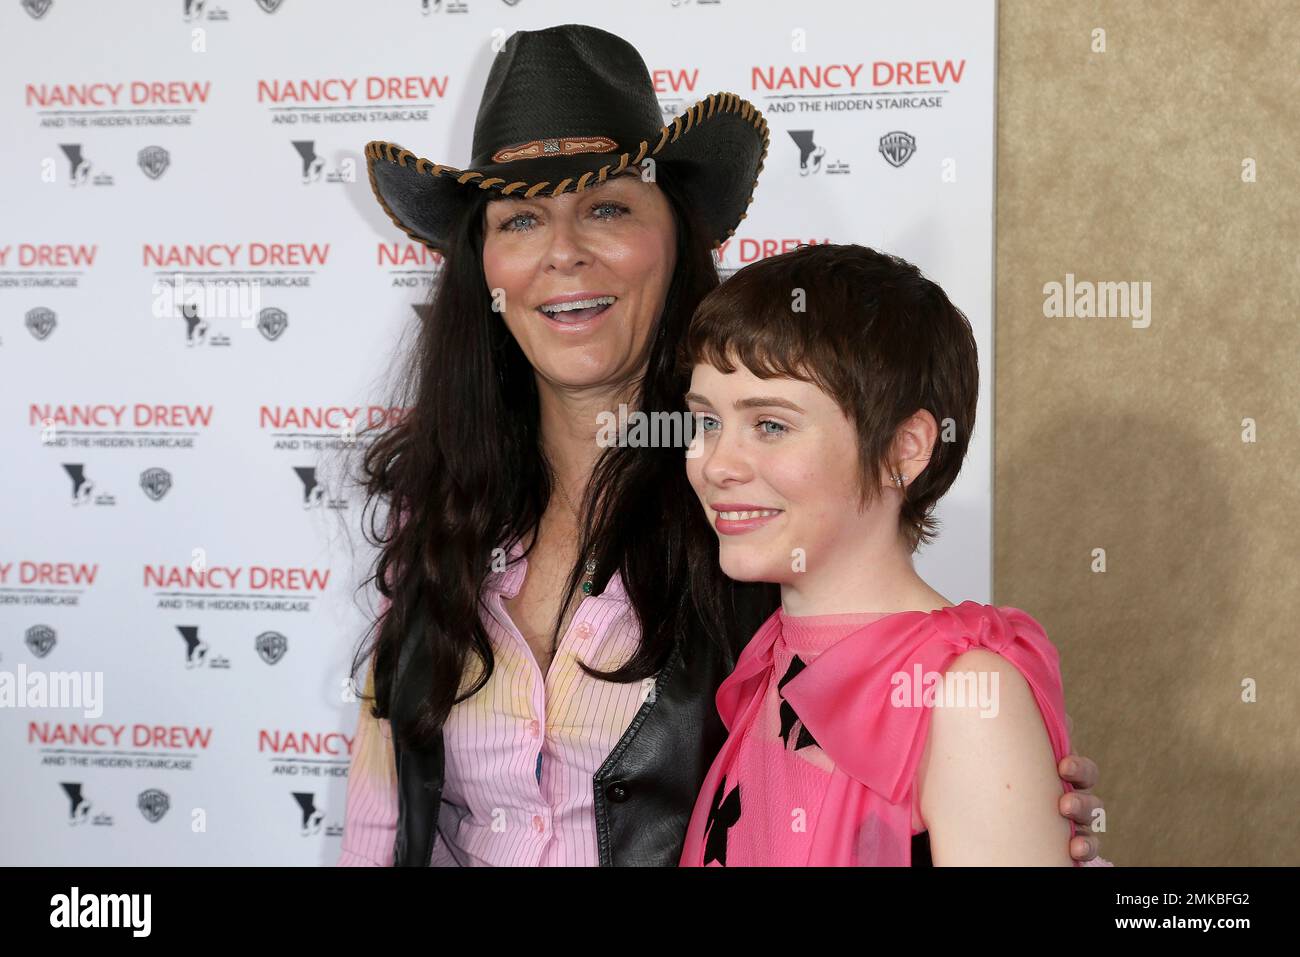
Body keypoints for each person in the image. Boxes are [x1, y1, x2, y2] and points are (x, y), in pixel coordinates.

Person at [340, 23, 1108, 867]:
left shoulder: (749, 505)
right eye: (520, 219)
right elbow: (384, 809)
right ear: (480, 263)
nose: (563, 252)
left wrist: (997, 788)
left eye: (606, 207)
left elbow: (890, 727)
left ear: (678, 236)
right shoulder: (443, 499)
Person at [677, 243, 1110, 865]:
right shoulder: (768, 658)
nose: (716, 465)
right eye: (707, 422)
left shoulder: (966, 695)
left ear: (905, 450)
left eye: (770, 425)